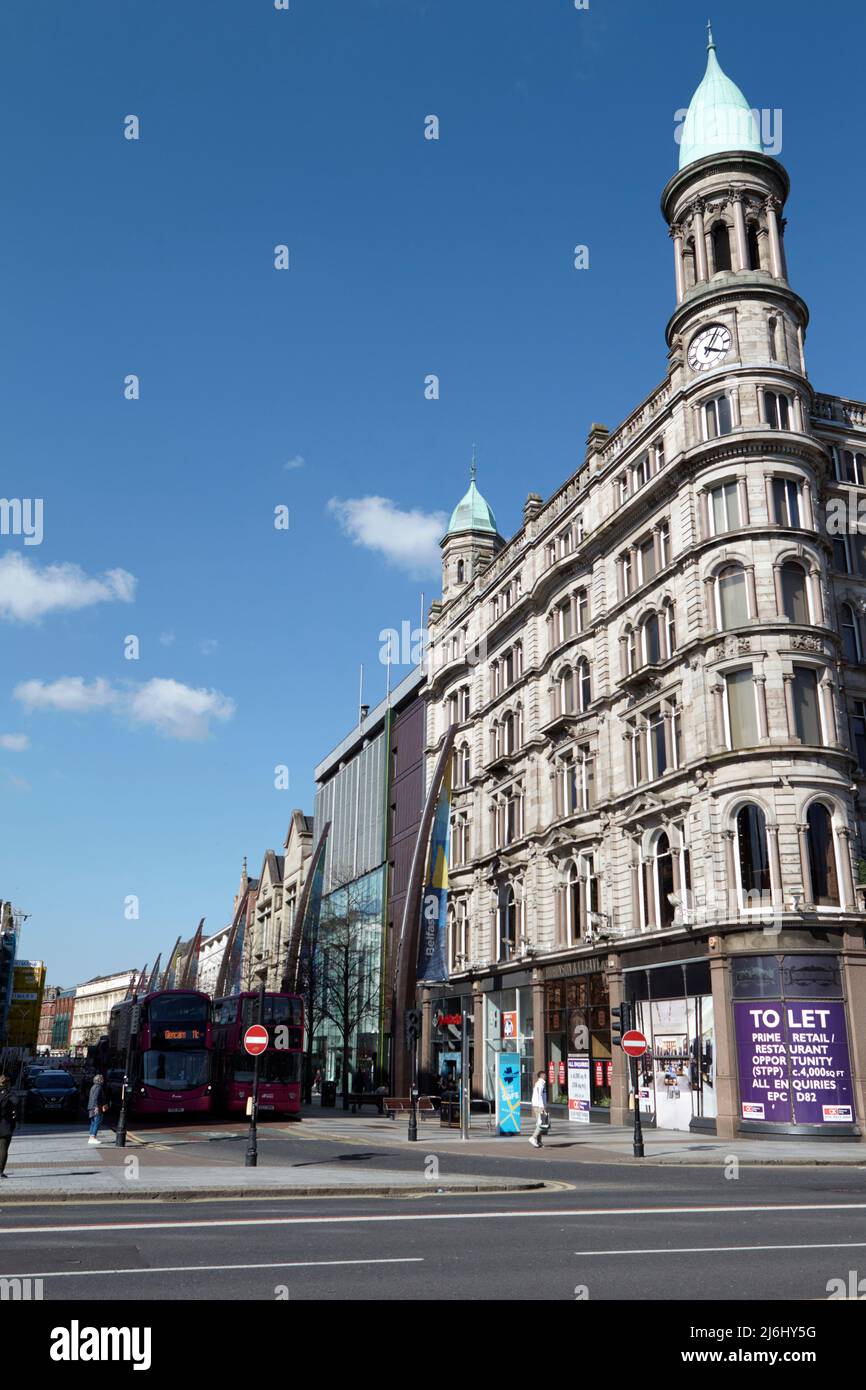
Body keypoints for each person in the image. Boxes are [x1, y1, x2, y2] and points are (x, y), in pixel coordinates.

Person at [0, 1076, 17, 1178]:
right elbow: (16, 1101)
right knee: (3, 1149)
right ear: (8, 1084)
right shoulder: (9, 1093)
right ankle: (0, 1171)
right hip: (5, 1125)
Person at [529, 1069, 547, 1149]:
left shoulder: (540, 1083)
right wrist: (542, 1107)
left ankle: (539, 1142)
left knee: (540, 1123)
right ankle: (533, 1138)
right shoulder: (540, 1084)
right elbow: (539, 1096)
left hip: (538, 1105)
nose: (546, 1076)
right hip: (539, 1106)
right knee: (541, 1123)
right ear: (541, 1076)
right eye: (544, 1075)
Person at [87, 1073, 107, 1145]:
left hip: (91, 1107)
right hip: (96, 1107)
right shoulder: (98, 1087)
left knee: (93, 1122)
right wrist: (96, 1107)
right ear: (99, 1080)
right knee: (97, 1122)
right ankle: (93, 1137)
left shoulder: (93, 1087)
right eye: (102, 1079)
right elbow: (95, 1097)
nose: (103, 1080)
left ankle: (91, 1137)